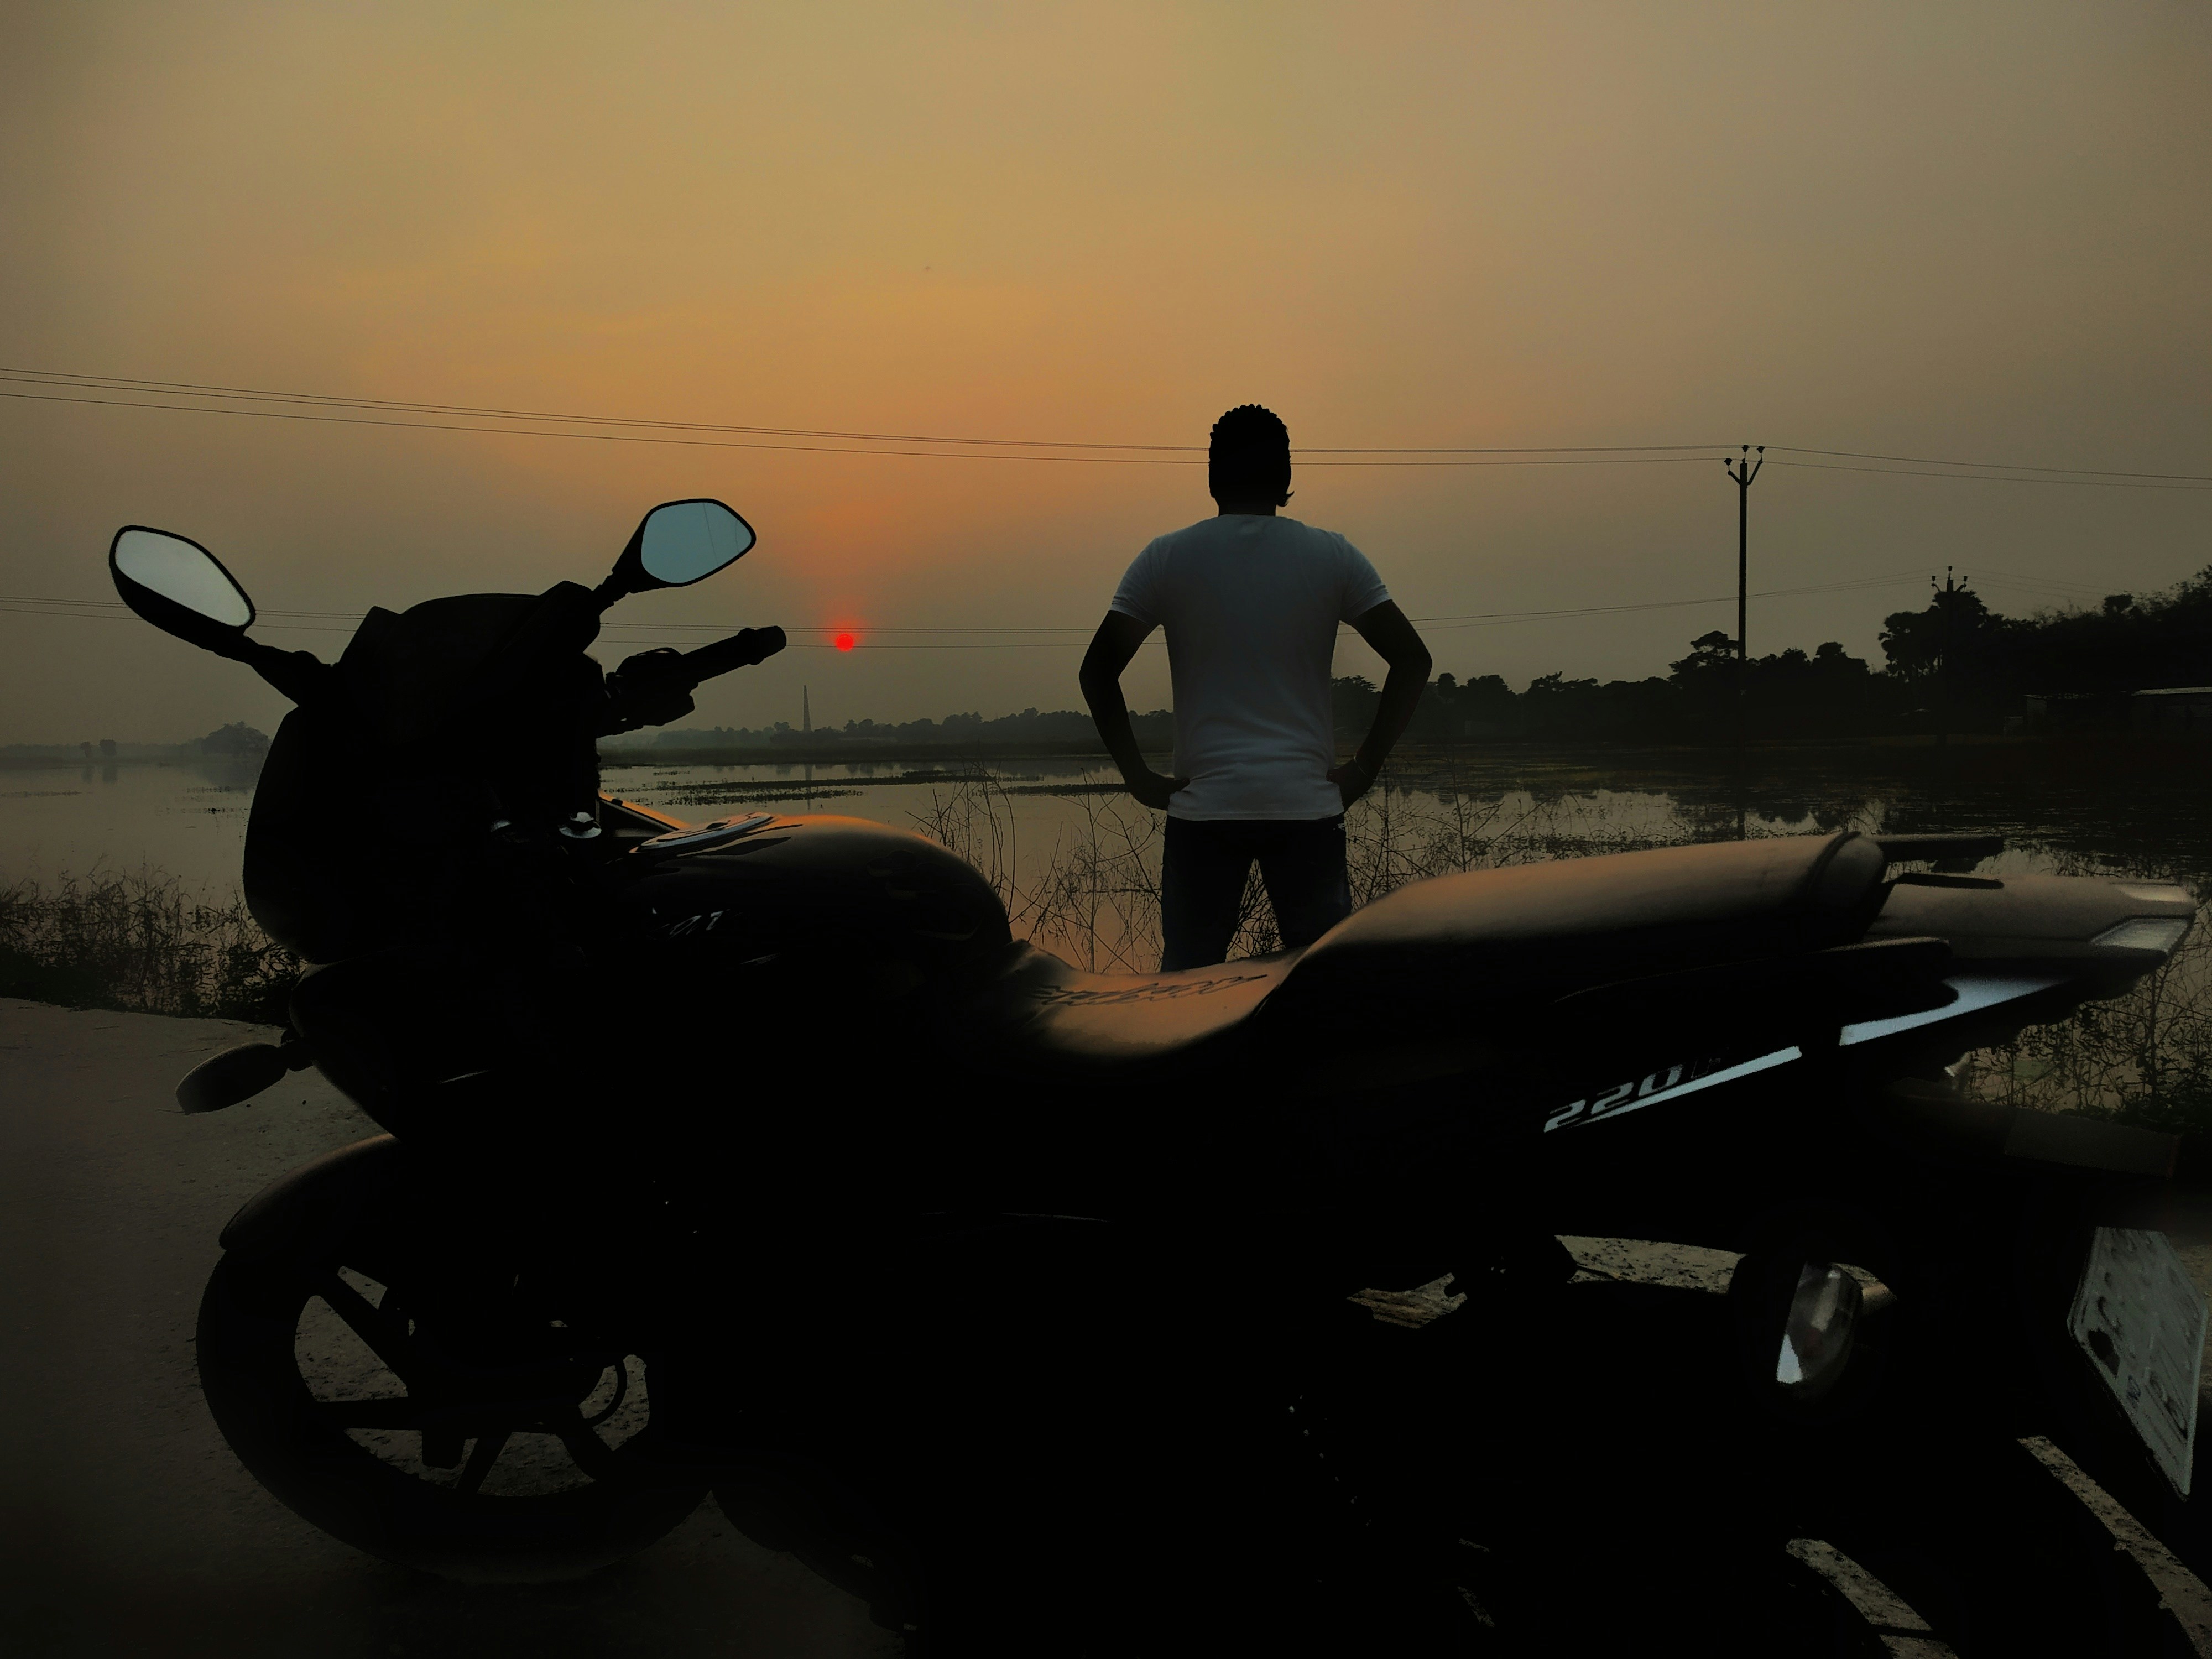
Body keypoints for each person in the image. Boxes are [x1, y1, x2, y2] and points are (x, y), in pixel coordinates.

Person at [1080, 404, 1432, 971]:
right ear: (1286, 478)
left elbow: (1097, 671)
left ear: (1212, 477)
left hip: (1204, 811)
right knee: (1318, 985)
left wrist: (1138, 776)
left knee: (1186, 991)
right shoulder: (1332, 555)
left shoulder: (1166, 558)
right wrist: (1364, 768)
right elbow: (1412, 659)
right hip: (1306, 809)